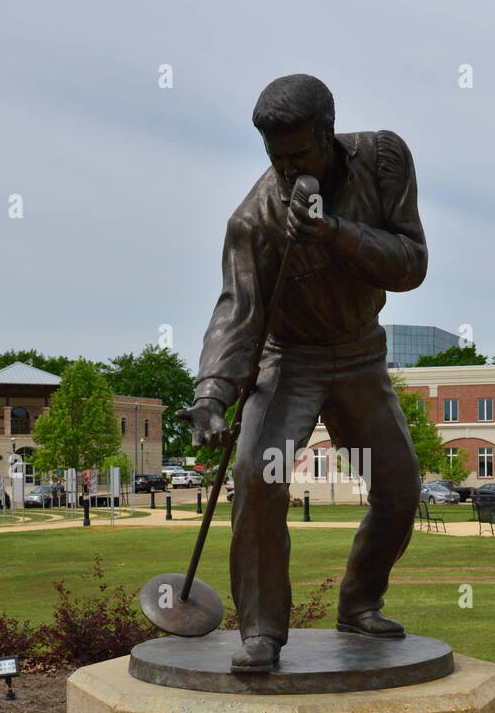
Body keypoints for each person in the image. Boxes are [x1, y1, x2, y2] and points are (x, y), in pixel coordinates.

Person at [178, 74, 428, 671]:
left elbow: (411, 264)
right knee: (257, 478)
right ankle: (262, 631)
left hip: (362, 354)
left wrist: (336, 234)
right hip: (289, 362)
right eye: (275, 158)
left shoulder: (384, 160)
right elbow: (238, 313)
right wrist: (213, 396)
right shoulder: (253, 223)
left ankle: (360, 604)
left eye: (298, 154)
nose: (288, 170)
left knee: (399, 487)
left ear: (328, 134)